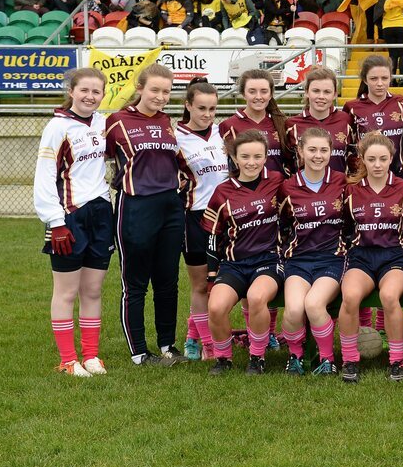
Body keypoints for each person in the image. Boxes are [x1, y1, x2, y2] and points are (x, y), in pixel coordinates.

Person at [104, 64, 186, 366]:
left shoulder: (166, 121)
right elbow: (102, 159)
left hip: (170, 207)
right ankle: (139, 352)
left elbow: (177, 161)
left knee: (167, 281)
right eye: (155, 90)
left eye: (166, 92)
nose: (160, 97)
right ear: (140, 88)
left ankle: (167, 345)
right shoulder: (117, 121)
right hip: (136, 207)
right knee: (135, 284)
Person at [34, 68, 113, 377]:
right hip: (69, 215)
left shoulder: (103, 123)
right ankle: (68, 360)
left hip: (101, 212)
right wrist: (56, 221)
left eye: (96, 91)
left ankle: (91, 355)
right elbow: (44, 176)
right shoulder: (57, 127)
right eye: (84, 90)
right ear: (71, 91)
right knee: (66, 291)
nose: (90, 96)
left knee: (92, 290)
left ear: (103, 94)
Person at [203, 130, 285, 375]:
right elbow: (212, 237)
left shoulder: (278, 181)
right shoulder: (222, 192)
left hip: (269, 260)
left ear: (266, 157)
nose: (252, 162)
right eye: (245, 156)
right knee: (216, 307)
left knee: (257, 298)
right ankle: (223, 358)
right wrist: (211, 275)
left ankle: (257, 357)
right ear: (234, 158)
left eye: (258, 156)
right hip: (235, 264)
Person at [336, 132, 403, 383]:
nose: (377, 164)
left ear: (391, 158)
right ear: (362, 160)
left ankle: (397, 360)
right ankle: (349, 359)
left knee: (389, 297)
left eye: (382, 159)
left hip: (393, 257)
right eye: (371, 159)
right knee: (350, 297)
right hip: (361, 257)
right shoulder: (351, 191)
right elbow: (345, 229)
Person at [278, 127, 348, 376]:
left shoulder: (342, 182)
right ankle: (295, 356)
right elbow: (282, 225)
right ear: (300, 151)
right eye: (312, 150)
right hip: (299, 259)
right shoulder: (287, 187)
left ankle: (327, 359)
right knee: (294, 309)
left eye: (323, 150)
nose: (318, 155)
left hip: (332, 258)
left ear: (331, 152)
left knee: (314, 304)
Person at [176, 80, 229, 362]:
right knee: (200, 285)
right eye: (201, 108)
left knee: (222, 282)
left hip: (227, 217)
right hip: (195, 217)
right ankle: (207, 344)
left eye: (212, 109)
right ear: (188, 106)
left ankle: (193, 335)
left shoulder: (223, 133)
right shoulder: (176, 138)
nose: (207, 114)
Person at [343, 55, 403, 177]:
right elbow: (347, 146)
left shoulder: (401, 103)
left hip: (399, 176)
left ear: (390, 78)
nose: (380, 83)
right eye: (374, 78)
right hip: (366, 176)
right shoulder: (352, 108)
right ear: (365, 80)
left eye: (384, 78)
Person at [220, 69, 291, 176]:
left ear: (271, 94)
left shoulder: (283, 123)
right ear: (243, 93)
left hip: (278, 186)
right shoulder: (228, 126)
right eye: (252, 91)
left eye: (264, 91)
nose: (258, 97)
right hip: (245, 186)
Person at [285, 65, 354, 174]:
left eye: (327, 92)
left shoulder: (346, 120)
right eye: (316, 91)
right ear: (307, 92)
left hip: (339, 184)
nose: (321, 96)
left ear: (335, 94)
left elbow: (353, 157)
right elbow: (286, 164)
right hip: (304, 185)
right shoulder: (292, 125)